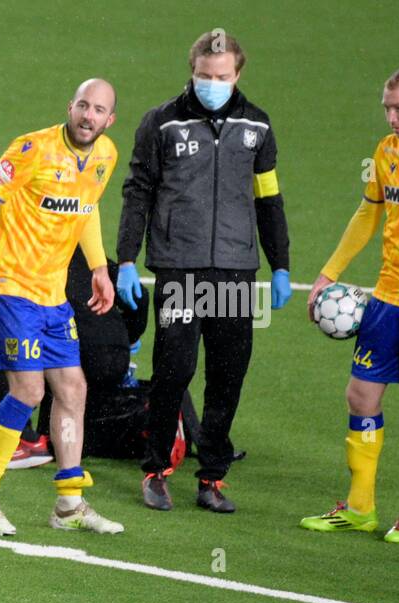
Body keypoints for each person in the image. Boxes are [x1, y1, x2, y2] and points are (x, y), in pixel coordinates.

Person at [116, 29, 291, 514]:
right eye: (204, 75)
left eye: (222, 76)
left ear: (237, 75)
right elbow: (138, 193)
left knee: (227, 374)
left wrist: (280, 265)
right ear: (191, 71)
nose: (212, 83)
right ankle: (155, 470)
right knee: (174, 371)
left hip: (236, 271)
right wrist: (126, 258)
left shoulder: (257, 125)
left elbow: (268, 201)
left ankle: (212, 477)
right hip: (179, 269)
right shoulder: (162, 123)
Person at [0, 78, 125, 537]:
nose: (88, 116)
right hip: (11, 289)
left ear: (109, 120)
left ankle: (69, 504)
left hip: (54, 297)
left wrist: (97, 267)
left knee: (73, 390)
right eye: (83, 106)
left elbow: (87, 208)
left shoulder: (105, 156)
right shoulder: (33, 148)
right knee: (29, 391)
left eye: (98, 111)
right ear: (70, 106)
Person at [302, 66, 399, 543]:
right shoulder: (387, 152)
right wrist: (329, 271)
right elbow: (368, 213)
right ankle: (360, 507)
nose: (391, 117)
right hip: (388, 296)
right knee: (361, 394)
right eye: (386, 108)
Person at [0, 254, 152, 468]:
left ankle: (26, 441)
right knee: (58, 434)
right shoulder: (83, 249)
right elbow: (140, 296)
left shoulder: (24, 254)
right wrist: (127, 338)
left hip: (72, 353)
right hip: (115, 360)